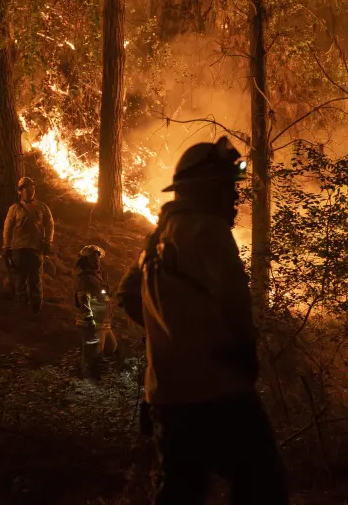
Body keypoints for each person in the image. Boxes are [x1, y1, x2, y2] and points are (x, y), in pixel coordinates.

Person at [116, 137, 288, 505]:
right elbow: (234, 304)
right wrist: (242, 355)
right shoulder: (209, 231)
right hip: (219, 392)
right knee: (263, 484)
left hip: (167, 396)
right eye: (227, 188)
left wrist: (172, 338)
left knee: (181, 492)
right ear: (205, 189)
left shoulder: (157, 237)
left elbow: (127, 295)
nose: (234, 198)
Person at [2, 177, 54, 315]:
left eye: (32, 187)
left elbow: (50, 225)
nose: (31, 190)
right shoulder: (14, 209)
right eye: (27, 187)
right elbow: (7, 228)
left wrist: (48, 241)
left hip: (35, 249)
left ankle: (36, 307)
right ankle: (22, 306)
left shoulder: (42, 207)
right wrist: (6, 246)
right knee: (20, 279)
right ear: (20, 191)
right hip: (18, 249)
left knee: (35, 278)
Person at [74, 244, 119, 379]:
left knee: (111, 347)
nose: (97, 260)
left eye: (98, 258)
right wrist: (90, 321)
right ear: (85, 261)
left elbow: (102, 296)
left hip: (102, 321)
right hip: (92, 323)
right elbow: (83, 298)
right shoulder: (85, 278)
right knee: (92, 358)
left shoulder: (97, 277)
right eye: (93, 258)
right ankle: (88, 384)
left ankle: (99, 375)